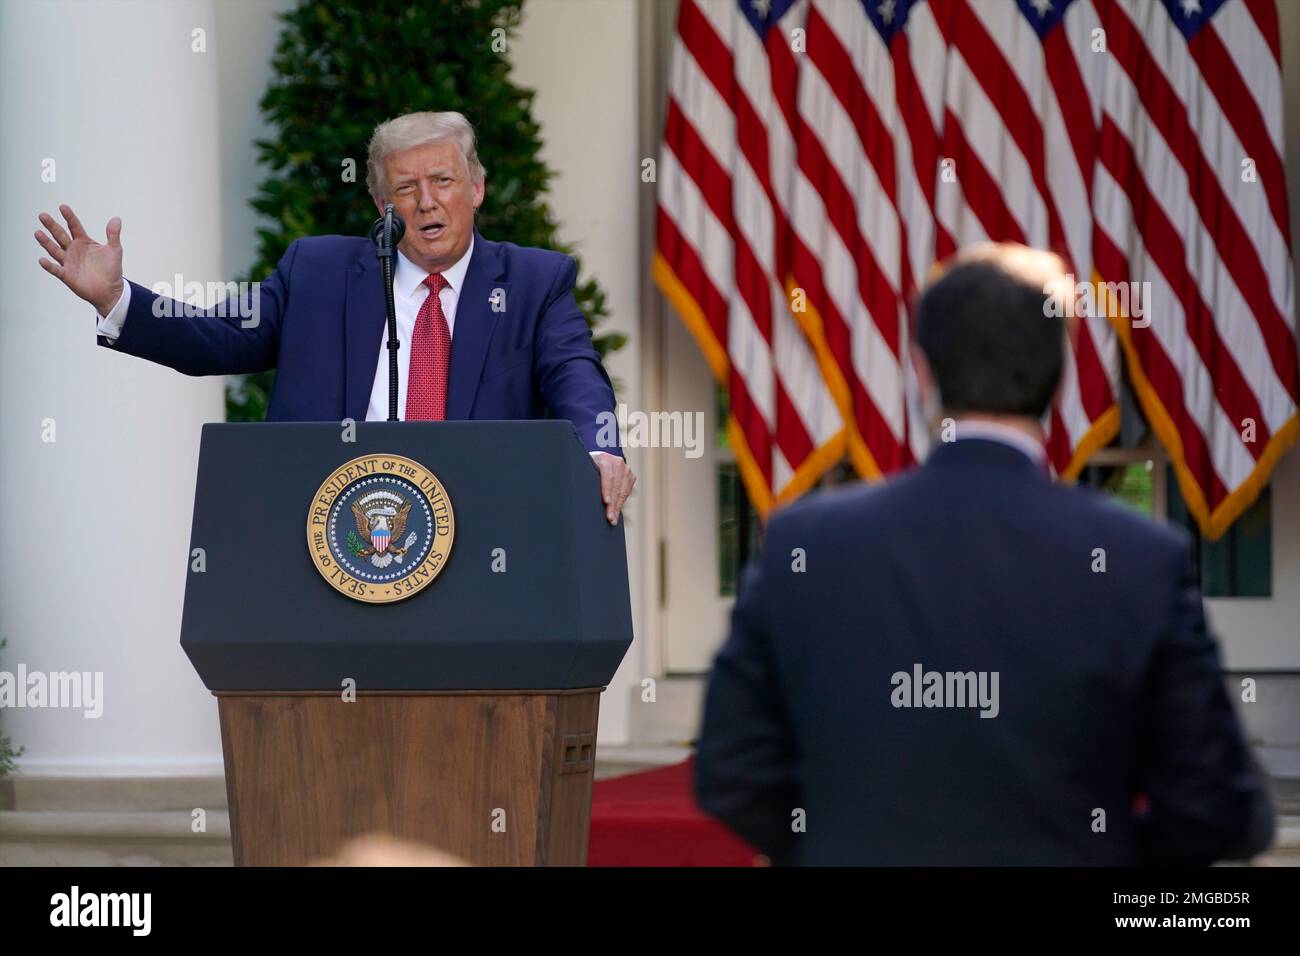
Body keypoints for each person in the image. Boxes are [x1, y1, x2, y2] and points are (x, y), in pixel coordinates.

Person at [694, 243, 1273, 865]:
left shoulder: (807, 544)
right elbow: (1219, 808)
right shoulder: (1139, 557)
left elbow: (731, 770)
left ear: (921, 370)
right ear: (1062, 371)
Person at [34, 110, 635, 524]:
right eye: (406, 187)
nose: (427, 201)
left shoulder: (533, 282)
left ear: (476, 188)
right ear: (381, 204)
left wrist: (600, 450)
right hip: (330, 534)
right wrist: (118, 298)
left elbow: (575, 374)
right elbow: (216, 338)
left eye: (444, 180)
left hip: (483, 527)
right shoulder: (318, 272)